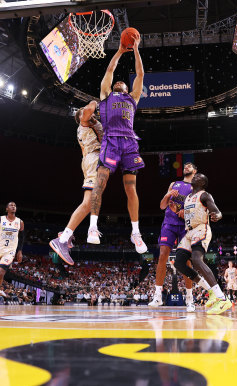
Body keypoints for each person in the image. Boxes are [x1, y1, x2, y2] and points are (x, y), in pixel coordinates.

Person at [86, 34, 148, 254]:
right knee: (100, 184)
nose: (120, 82)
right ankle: (93, 228)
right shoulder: (105, 95)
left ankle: (136, 233)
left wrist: (137, 48)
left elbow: (140, 73)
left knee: (131, 187)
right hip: (110, 141)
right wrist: (121, 51)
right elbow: (109, 71)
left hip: (130, 143)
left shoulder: (133, 97)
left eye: (123, 82)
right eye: (118, 82)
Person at [167, 173, 232, 315]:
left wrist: (217, 215)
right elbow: (189, 214)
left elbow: (217, 211)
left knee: (196, 260)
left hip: (201, 228)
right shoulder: (189, 197)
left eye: (198, 177)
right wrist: (176, 210)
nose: (194, 177)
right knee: (178, 263)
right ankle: (211, 291)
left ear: (202, 183)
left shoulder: (205, 195)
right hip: (188, 232)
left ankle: (222, 298)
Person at [50, 100, 103, 265]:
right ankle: (63, 238)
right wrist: (96, 101)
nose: (90, 113)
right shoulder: (85, 121)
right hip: (93, 159)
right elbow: (88, 108)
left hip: (90, 159)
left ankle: (65, 236)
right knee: (89, 202)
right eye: (85, 113)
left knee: (88, 204)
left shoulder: (85, 129)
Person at [148, 162, 197, 312]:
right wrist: (168, 194)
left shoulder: (196, 189)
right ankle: (157, 296)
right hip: (169, 223)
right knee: (163, 255)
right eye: (185, 165)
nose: (186, 167)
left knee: (186, 260)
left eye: (190, 166)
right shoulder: (174, 184)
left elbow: (197, 211)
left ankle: (189, 298)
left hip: (185, 226)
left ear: (195, 171)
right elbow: (163, 205)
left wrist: (186, 212)